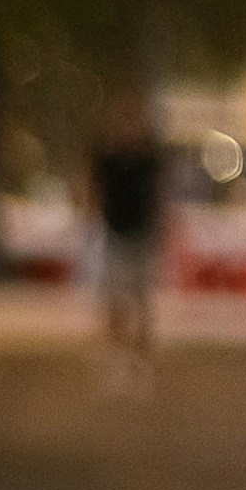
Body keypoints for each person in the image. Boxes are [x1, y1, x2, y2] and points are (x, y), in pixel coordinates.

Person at [91, 111, 166, 377]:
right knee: (113, 295)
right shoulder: (106, 159)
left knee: (140, 295)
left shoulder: (149, 161)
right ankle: (118, 350)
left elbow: (158, 195)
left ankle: (139, 354)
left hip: (141, 233)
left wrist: (161, 229)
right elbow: (95, 192)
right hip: (115, 232)